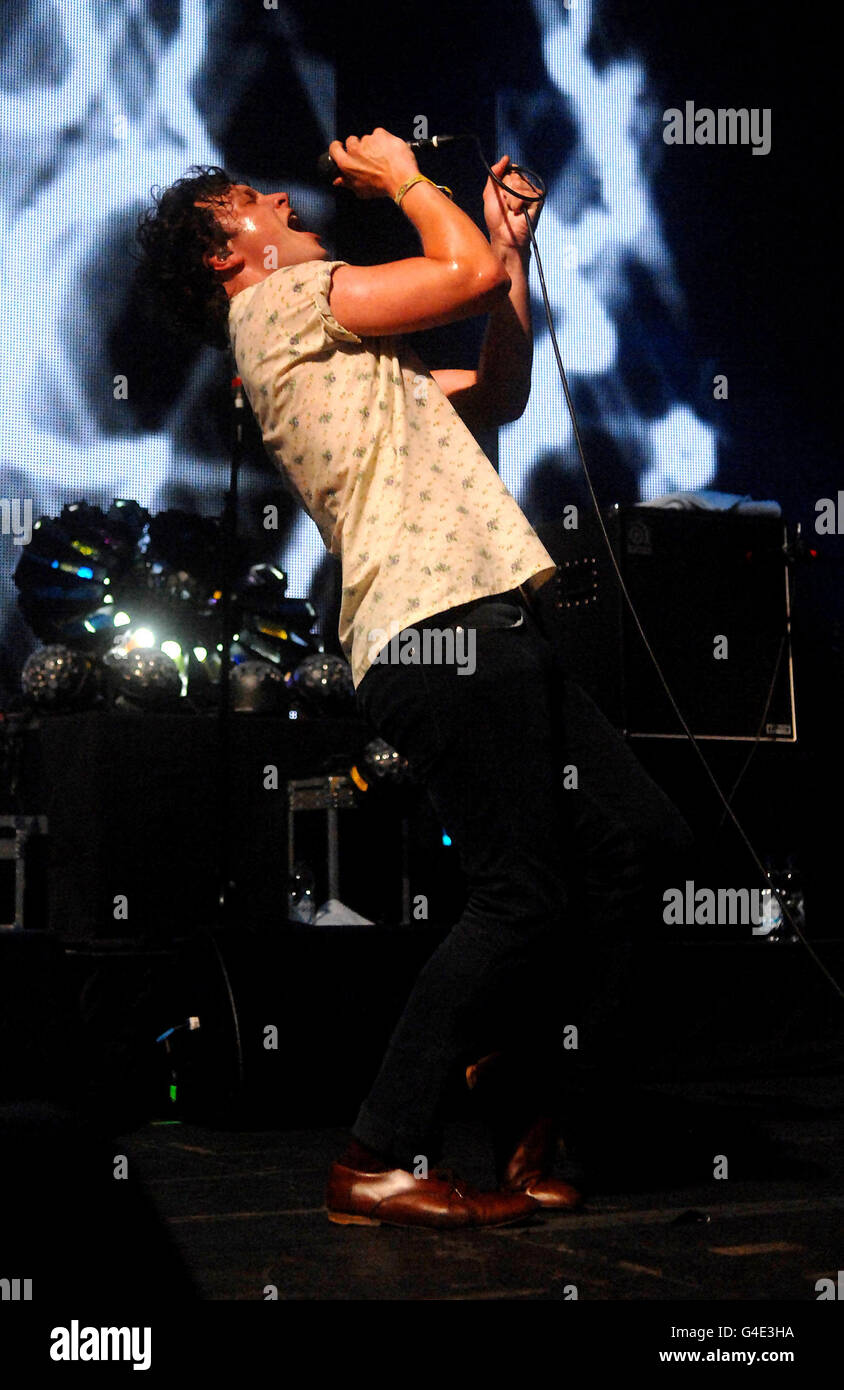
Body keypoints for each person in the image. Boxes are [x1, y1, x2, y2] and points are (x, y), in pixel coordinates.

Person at [134, 127, 691, 1230]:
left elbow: (496, 386)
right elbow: (458, 276)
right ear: (224, 256)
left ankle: (527, 1096)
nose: (280, 198)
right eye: (249, 199)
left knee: (644, 844)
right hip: (436, 627)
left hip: (486, 615)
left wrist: (508, 255)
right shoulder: (284, 306)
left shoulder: (338, 342)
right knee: (520, 893)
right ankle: (377, 1154)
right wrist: (405, 179)